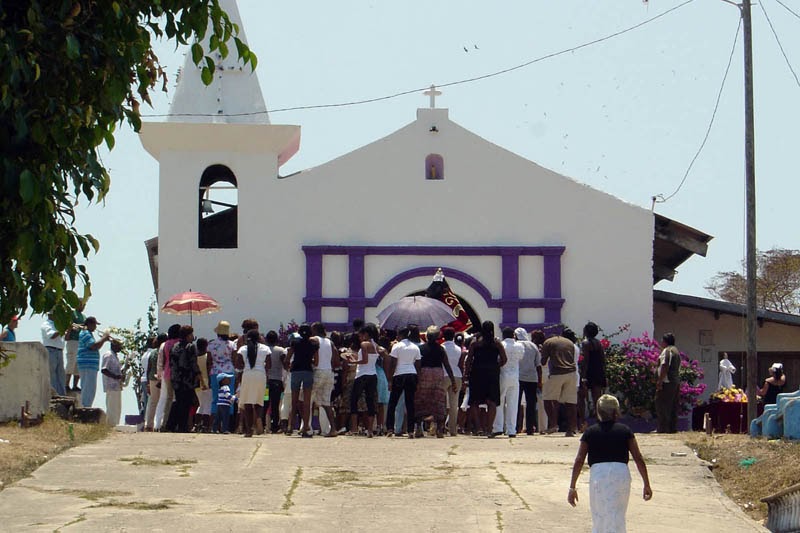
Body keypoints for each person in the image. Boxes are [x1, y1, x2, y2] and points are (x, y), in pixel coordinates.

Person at [568, 394, 653, 532]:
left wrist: (572, 487)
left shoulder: (590, 432)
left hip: (599, 475)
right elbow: (638, 458)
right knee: (617, 514)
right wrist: (646, 484)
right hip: (621, 474)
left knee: (599, 514)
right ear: (616, 412)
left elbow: (579, 460)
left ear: (598, 412)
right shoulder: (625, 431)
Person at [465, 321, 507, 437]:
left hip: (477, 373)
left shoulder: (475, 344)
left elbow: (468, 361)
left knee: (474, 401)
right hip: (492, 374)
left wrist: (466, 374)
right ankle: (489, 429)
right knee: (492, 401)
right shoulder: (497, 343)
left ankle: (478, 428)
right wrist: (496, 365)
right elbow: (504, 359)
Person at [415, 326, 457, 438]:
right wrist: (453, 381)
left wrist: (417, 377)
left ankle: (419, 428)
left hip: (424, 375)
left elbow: (417, 365)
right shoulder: (441, 349)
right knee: (438, 402)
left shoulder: (421, 349)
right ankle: (439, 429)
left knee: (420, 401)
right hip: (438, 375)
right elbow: (447, 365)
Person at [541, 329, 578, 436]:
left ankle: (553, 424)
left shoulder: (548, 343)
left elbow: (543, 361)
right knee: (570, 402)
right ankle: (571, 429)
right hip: (572, 373)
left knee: (547, 398)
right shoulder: (569, 342)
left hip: (557, 372)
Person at [386, 326, 421, 438]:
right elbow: (418, 365)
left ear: (401, 335)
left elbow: (393, 363)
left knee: (393, 403)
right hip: (411, 374)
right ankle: (411, 430)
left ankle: (390, 428)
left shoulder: (397, 346)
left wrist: (390, 379)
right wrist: (418, 380)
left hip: (399, 374)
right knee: (410, 403)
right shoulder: (415, 347)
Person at [235, 329, 270, 437]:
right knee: (259, 401)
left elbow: (238, 365)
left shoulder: (243, 349)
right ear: (259, 338)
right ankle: (258, 418)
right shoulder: (265, 348)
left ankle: (249, 430)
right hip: (260, 375)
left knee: (247, 403)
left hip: (247, 375)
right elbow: (269, 365)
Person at [286, 323, 318, 437]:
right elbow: (316, 362)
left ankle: (290, 426)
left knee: (294, 401)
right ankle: (305, 427)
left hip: (296, 371)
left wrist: (288, 367)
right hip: (308, 371)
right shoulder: (314, 345)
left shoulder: (294, 343)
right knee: (306, 402)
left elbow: (287, 358)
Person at [348, 323, 380, 437]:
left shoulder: (364, 344)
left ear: (365, 334)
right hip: (373, 374)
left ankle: (354, 428)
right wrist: (356, 359)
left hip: (362, 374)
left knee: (354, 400)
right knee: (370, 401)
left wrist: (353, 362)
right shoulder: (375, 345)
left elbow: (364, 360)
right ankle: (370, 429)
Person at [168, 325, 200, 433]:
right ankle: (183, 426)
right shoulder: (191, 347)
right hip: (187, 379)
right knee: (186, 403)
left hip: (176, 379)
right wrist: (198, 374)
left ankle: (172, 425)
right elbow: (193, 363)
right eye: (191, 334)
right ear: (187, 335)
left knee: (178, 401)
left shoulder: (174, 346)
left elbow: (171, 363)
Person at [493, 327, 523, 438]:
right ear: (513, 335)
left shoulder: (502, 345)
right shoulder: (519, 346)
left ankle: (498, 427)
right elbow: (521, 357)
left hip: (503, 375)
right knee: (513, 403)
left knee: (499, 402)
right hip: (515, 376)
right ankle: (511, 429)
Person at [207, 320, 237, 432]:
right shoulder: (232, 344)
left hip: (215, 372)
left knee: (215, 399)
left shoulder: (211, 344)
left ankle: (214, 426)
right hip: (229, 372)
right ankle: (227, 426)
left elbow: (209, 361)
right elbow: (234, 359)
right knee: (229, 398)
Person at [76, 316, 110, 408]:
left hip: (89, 364)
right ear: (90, 324)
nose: (95, 327)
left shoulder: (87, 333)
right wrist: (104, 338)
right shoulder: (85, 333)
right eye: (95, 325)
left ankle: (86, 405)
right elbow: (93, 346)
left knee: (89, 387)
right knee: (89, 388)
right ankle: (86, 407)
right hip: (87, 364)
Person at [311, 322, 338, 437]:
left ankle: (308, 428)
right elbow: (336, 359)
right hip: (329, 372)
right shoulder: (329, 342)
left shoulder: (313, 339)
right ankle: (332, 428)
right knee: (326, 403)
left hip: (318, 371)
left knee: (308, 400)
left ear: (315, 330)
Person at [515, 328, 542, 435]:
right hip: (532, 378)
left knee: (516, 403)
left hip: (518, 377)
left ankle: (516, 427)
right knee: (531, 404)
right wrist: (540, 380)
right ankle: (530, 428)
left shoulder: (516, 345)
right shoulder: (533, 346)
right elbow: (538, 365)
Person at [654, 333, 681, 434]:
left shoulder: (667, 351)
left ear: (665, 341)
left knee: (661, 404)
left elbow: (665, 365)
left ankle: (663, 428)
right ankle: (672, 428)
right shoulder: (676, 351)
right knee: (672, 405)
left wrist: (660, 381)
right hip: (675, 382)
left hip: (667, 382)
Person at [441, 327, 465, 436]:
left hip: (444, 375)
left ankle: (440, 427)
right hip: (457, 376)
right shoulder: (459, 349)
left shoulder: (441, 347)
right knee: (454, 404)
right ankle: (452, 430)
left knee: (441, 403)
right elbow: (460, 364)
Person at [580, 321, 607, 414]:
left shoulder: (585, 343)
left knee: (583, 395)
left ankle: (589, 412)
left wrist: (583, 374)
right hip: (598, 370)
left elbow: (585, 359)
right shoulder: (599, 343)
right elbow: (603, 358)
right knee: (597, 396)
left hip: (589, 370)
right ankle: (599, 414)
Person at [144, 334, 167, 431]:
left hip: (152, 379)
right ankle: (159, 423)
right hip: (161, 378)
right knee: (163, 401)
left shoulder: (152, 352)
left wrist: (148, 382)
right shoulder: (164, 351)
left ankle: (149, 424)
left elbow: (148, 368)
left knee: (153, 402)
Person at [265, 330, 287, 433]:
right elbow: (285, 364)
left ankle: (264, 424)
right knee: (275, 404)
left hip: (266, 382)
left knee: (265, 402)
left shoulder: (264, 349)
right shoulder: (281, 350)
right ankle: (275, 426)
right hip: (277, 382)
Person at [41, 312, 67, 396]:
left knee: (61, 374)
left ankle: (62, 394)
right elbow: (52, 335)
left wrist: (68, 329)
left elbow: (66, 337)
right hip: (51, 350)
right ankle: (54, 394)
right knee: (52, 374)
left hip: (59, 350)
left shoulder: (57, 324)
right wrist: (63, 328)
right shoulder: (46, 324)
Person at [101, 339, 125, 426]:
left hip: (117, 385)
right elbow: (104, 369)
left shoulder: (115, 356)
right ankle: (111, 425)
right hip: (111, 385)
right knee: (112, 407)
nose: (121, 348)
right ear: (114, 345)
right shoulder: (108, 355)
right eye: (119, 345)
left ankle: (116, 425)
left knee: (117, 407)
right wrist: (115, 376)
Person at [65, 302, 86, 391]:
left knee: (78, 364)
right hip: (72, 340)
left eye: (84, 305)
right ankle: (66, 384)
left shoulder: (84, 317)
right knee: (71, 362)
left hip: (80, 341)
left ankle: (75, 385)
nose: (82, 307)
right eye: (81, 304)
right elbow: (69, 325)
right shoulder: (72, 314)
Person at [194, 337, 213, 432]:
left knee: (201, 404)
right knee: (208, 404)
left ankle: (196, 424)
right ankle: (205, 425)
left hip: (197, 383)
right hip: (206, 381)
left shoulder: (195, 357)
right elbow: (209, 370)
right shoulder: (207, 356)